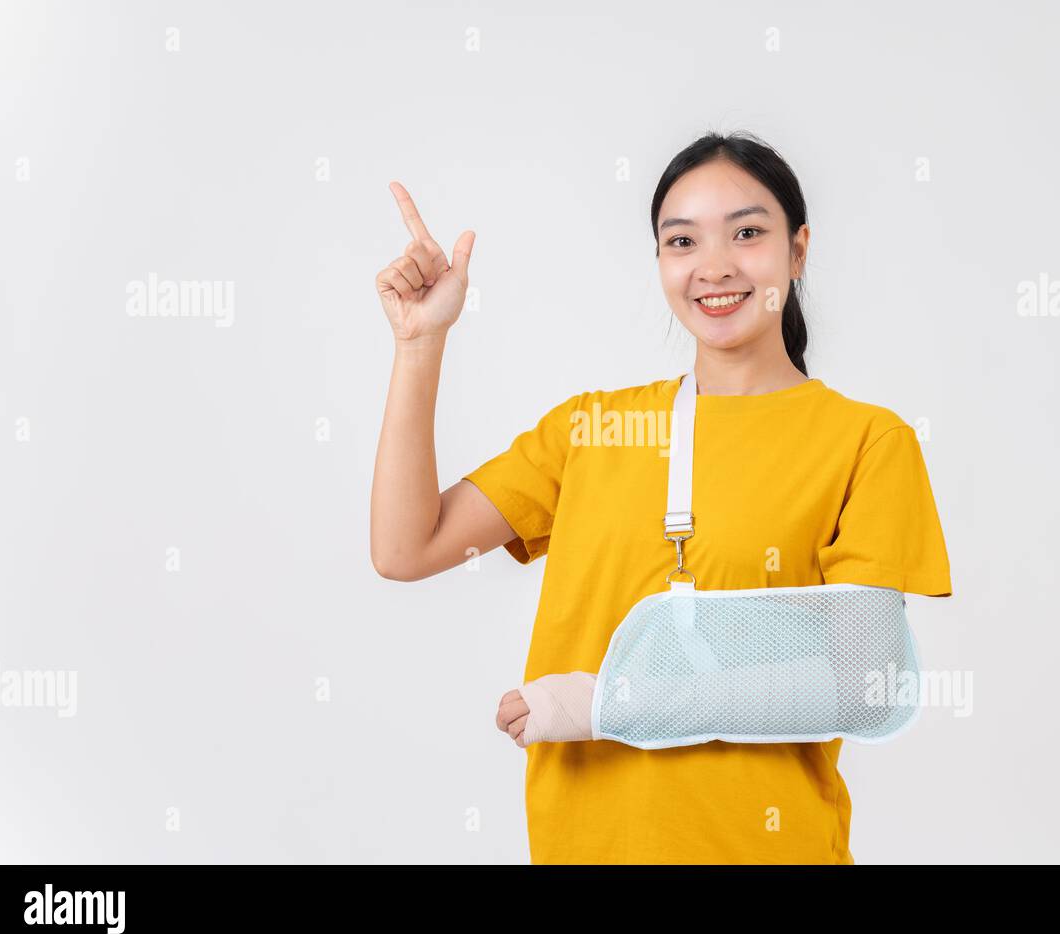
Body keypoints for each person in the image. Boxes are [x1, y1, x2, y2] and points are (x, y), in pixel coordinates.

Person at [370, 131, 952, 865]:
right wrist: (420, 345)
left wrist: (611, 703)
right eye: (682, 241)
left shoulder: (866, 442)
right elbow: (404, 549)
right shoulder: (594, 429)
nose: (714, 267)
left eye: (747, 233)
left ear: (797, 251)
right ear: (659, 261)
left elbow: (870, 687)